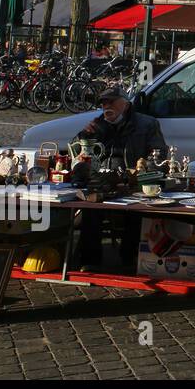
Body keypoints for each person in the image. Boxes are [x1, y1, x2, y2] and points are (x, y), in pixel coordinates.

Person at [76, 87, 168, 269]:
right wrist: (84, 136)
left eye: (111, 102)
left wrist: (139, 170)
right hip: (102, 182)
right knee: (89, 209)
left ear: (125, 103)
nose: (106, 106)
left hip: (132, 183)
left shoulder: (147, 124)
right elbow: (78, 152)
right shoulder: (97, 124)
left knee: (136, 211)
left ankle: (129, 259)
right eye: (103, 103)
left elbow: (159, 156)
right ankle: (89, 262)